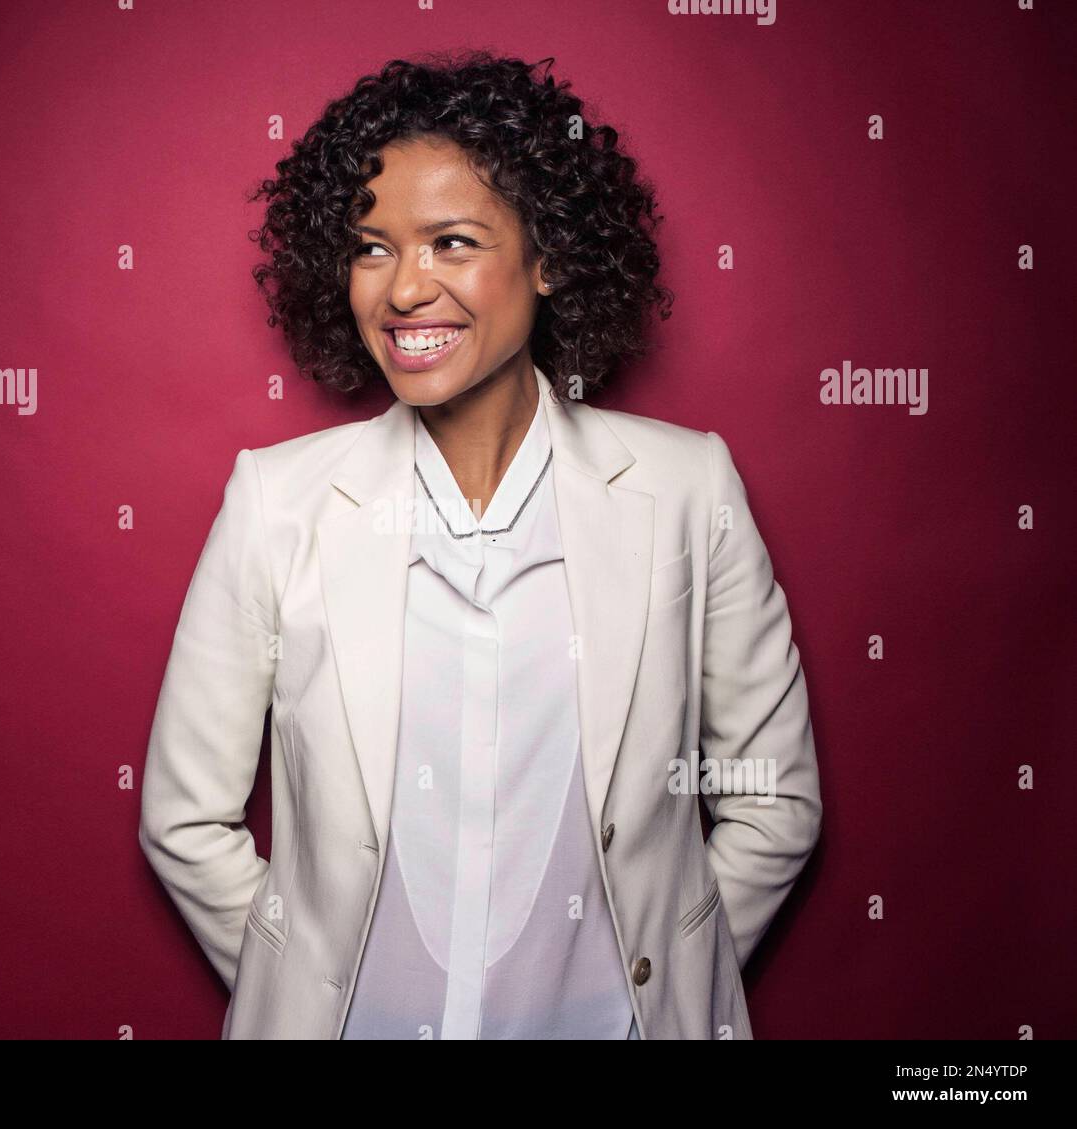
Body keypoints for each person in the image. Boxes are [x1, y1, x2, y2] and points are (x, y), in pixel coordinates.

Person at [139, 50, 821, 1040]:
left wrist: (656, 988)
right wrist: (310, 991)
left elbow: (773, 800)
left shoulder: (685, 488)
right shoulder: (276, 503)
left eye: (451, 242)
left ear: (547, 258)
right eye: (372, 248)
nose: (405, 289)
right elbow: (184, 820)